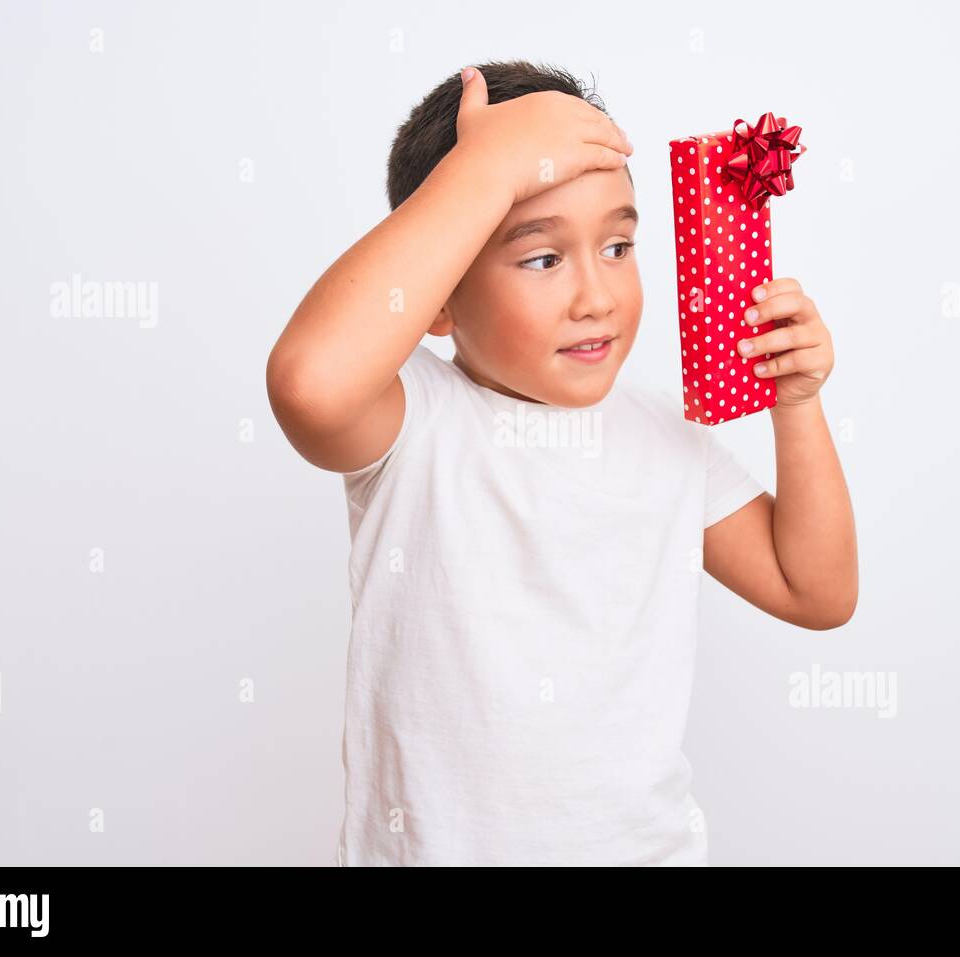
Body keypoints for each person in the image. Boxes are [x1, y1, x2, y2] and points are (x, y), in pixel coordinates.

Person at [266, 60, 858, 865]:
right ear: (439, 292)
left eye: (618, 245)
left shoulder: (663, 433)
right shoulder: (415, 421)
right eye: (542, 258)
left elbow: (815, 589)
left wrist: (798, 403)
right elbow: (308, 383)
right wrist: (483, 170)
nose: (597, 296)